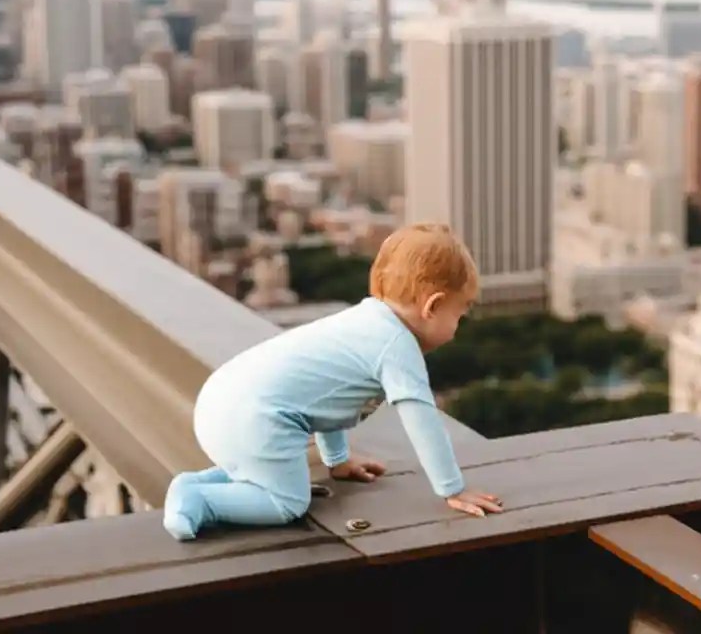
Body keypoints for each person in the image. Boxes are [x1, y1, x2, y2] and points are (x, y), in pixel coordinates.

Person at [163, 223, 503, 540]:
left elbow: (325, 400)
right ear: (434, 305)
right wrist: (453, 489)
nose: (460, 324)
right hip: (256, 420)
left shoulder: (362, 320)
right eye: (461, 312)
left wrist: (338, 461)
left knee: (266, 475)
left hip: (222, 401)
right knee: (287, 503)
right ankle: (201, 500)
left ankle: (195, 482)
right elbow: (423, 422)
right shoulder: (397, 346)